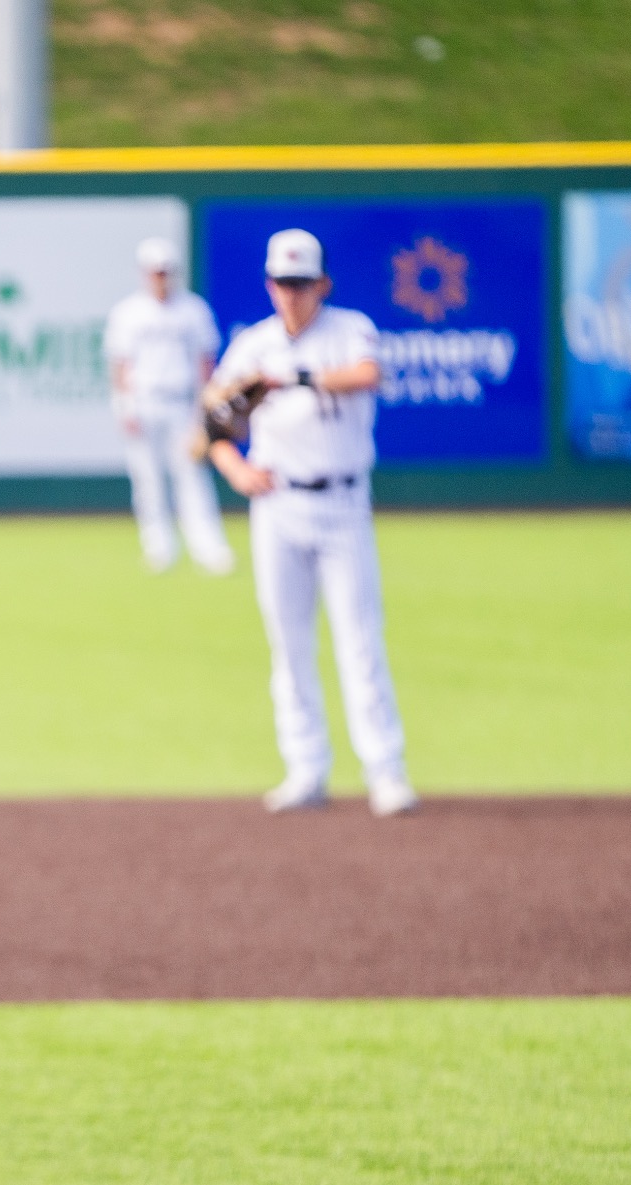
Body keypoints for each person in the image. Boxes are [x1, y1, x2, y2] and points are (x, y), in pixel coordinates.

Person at [203, 228, 419, 818]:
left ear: (322, 284)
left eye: (301, 283)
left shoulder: (348, 330)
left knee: (359, 639)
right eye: (281, 283)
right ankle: (306, 768)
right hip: (278, 508)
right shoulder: (254, 344)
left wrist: (291, 379)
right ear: (268, 284)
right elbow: (213, 418)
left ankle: (385, 771)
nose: (291, 294)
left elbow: (369, 374)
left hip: (343, 504)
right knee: (289, 643)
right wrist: (234, 469)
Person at [102, 237, 235, 574]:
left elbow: (206, 363)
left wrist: (206, 408)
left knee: (192, 475)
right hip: (144, 401)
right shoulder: (128, 312)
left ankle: (208, 547)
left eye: (166, 271)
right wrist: (124, 405)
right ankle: (159, 547)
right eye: (155, 272)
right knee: (148, 480)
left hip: (182, 403)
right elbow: (120, 364)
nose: (161, 278)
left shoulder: (193, 310)